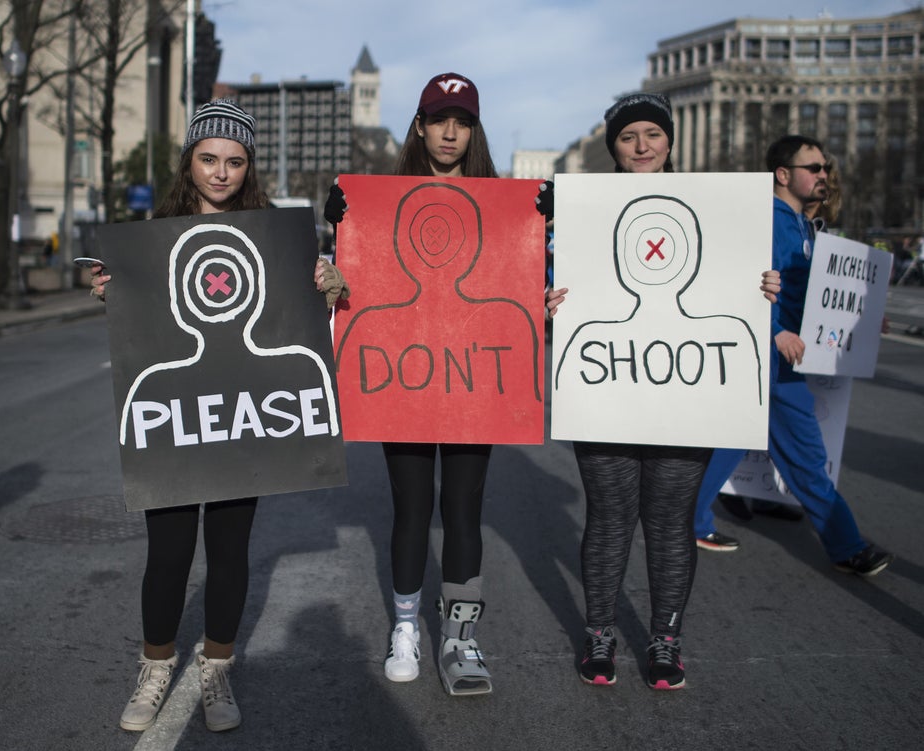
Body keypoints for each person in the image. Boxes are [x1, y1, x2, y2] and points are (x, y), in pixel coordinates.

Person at [89, 99, 348, 733]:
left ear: (248, 166)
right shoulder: (154, 236)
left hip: (244, 420)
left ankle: (216, 668)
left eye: (234, 161)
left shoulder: (274, 237)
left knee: (230, 552)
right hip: (179, 423)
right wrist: (110, 293)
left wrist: (329, 286)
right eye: (209, 158)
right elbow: (144, 329)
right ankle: (154, 669)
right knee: (169, 553)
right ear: (190, 161)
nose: (221, 172)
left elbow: (310, 318)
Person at [544, 93, 781, 690]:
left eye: (653, 134)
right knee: (610, 516)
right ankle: (600, 634)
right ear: (614, 147)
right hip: (608, 388)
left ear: (670, 142)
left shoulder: (717, 211)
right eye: (629, 137)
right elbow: (547, 285)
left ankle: (665, 639)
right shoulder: (581, 215)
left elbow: (740, 288)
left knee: (670, 520)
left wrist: (764, 288)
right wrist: (549, 303)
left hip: (689, 393)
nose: (643, 145)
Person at [325, 72, 548, 696]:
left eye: (463, 121)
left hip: (476, 379)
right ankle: (405, 627)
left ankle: (460, 634)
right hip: (408, 379)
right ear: (419, 125)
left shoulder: (503, 203)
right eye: (439, 118)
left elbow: (528, 295)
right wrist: (339, 231)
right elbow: (345, 289)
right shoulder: (381, 199)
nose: (450, 132)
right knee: (411, 508)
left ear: (473, 131)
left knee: (464, 511)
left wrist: (539, 230)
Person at [691, 135, 893, 576]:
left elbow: (816, 291)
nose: (824, 175)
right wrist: (776, 330)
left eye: (825, 167)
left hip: (775, 358)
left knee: (733, 440)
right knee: (802, 453)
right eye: (814, 168)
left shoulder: (799, 222)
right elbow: (743, 281)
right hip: (771, 357)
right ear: (783, 175)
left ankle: (690, 520)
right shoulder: (771, 220)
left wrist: (866, 313)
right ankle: (846, 546)